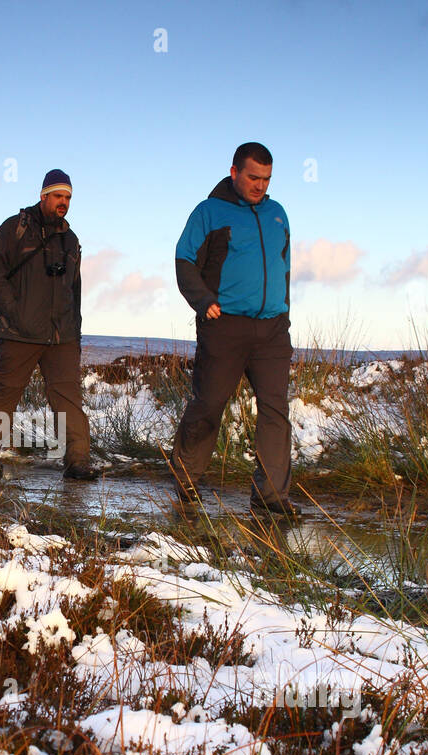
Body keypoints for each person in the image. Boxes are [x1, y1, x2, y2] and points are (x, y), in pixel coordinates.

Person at [169, 142, 301, 517]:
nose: (260, 186)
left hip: (272, 330)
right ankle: (186, 480)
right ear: (234, 172)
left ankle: (271, 495)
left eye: (267, 179)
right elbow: (183, 260)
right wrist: (203, 301)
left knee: (275, 410)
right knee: (209, 404)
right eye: (253, 177)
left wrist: (284, 313)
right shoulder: (209, 211)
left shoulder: (278, 214)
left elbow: (284, 268)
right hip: (224, 325)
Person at [0, 169, 99, 482]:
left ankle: (78, 463)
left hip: (62, 337)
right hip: (20, 332)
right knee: (5, 395)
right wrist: (15, 313)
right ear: (43, 195)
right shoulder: (16, 228)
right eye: (58, 196)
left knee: (68, 398)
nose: (63, 202)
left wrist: (75, 331)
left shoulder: (71, 240)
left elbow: (75, 289)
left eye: (68, 197)